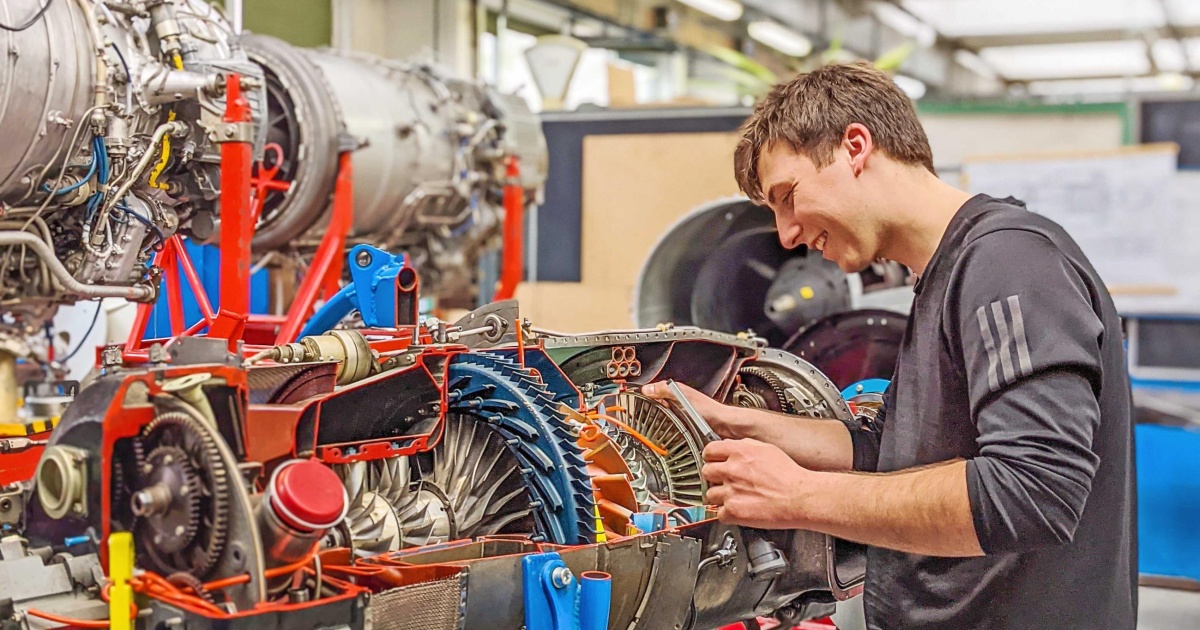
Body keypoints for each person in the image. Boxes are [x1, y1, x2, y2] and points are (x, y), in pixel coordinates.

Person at [643, 62, 1136, 629]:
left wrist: (796, 494)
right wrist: (732, 424)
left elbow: (1031, 490)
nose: (786, 235)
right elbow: (895, 450)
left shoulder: (1007, 260)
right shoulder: (945, 274)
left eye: (788, 196)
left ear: (855, 146)